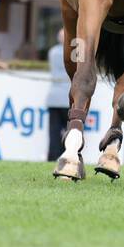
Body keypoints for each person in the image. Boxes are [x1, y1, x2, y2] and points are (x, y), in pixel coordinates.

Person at [46, 27, 71, 163]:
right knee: (71, 131)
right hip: (68, 98)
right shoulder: (73, 52)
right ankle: (67, 156)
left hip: (54, 98)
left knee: (54, 133)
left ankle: (52, 157)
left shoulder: (52, 52)